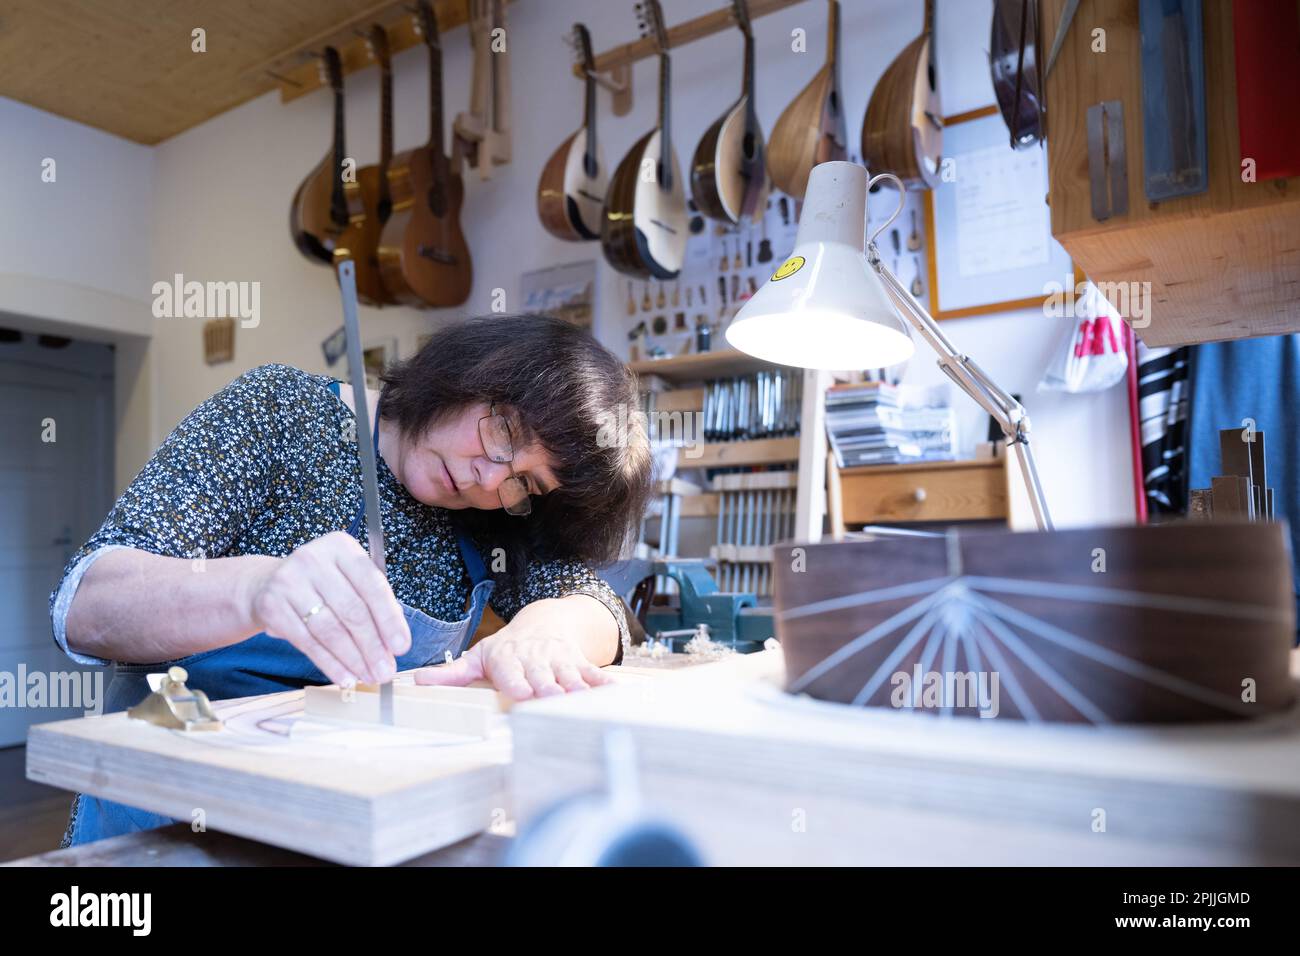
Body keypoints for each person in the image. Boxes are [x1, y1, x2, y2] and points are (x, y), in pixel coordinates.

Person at [49, 314, 652, 844]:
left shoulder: (492, 517)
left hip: (340, 831)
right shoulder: (279, 412)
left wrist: (543, 634)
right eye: (504, 433)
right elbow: (86, 605)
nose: (490, 480)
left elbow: (597, 607)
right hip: (167, 825)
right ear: (475, 372)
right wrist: (255, 589)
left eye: (527, 483)